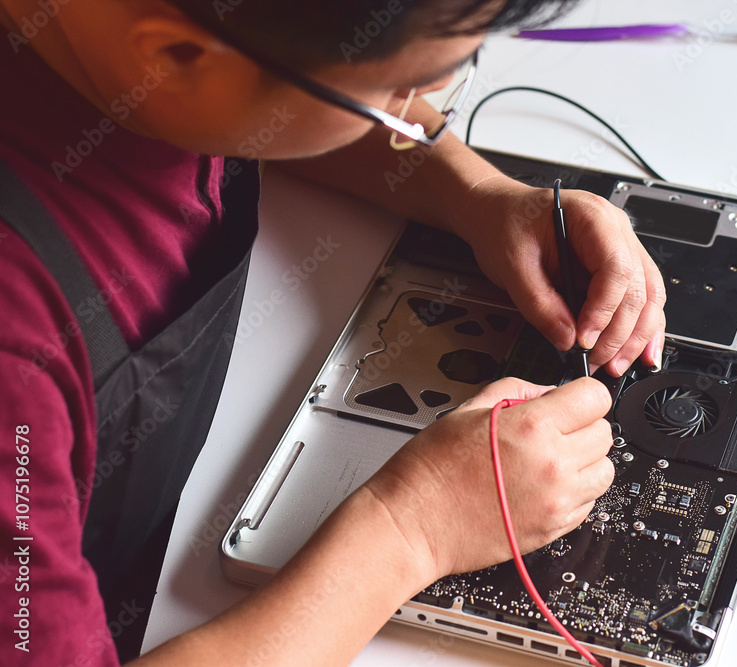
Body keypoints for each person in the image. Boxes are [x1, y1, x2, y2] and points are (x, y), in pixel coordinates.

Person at [0, 0, 667, 664]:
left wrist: (477, 196)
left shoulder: (110, 46)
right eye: (393, 95)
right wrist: (413, 528)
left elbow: (273, 95)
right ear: (175, 57)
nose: (418, 111)